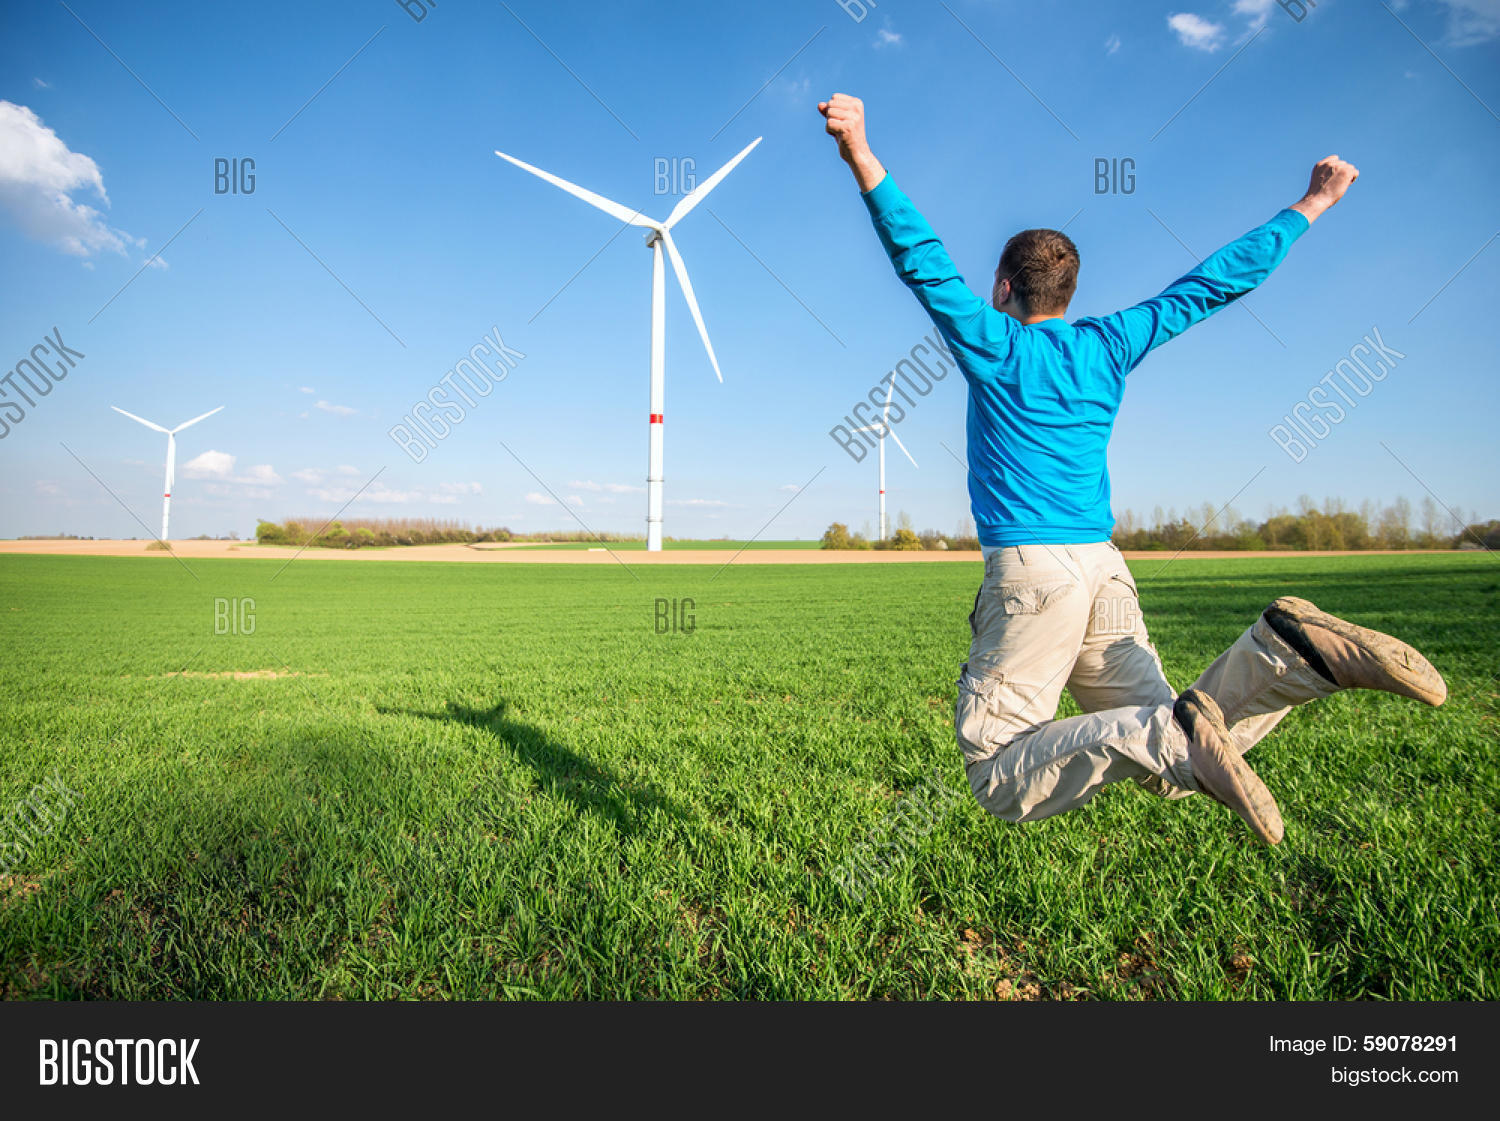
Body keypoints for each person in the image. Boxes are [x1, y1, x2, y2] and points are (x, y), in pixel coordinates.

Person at [819, 93, 1446, 843]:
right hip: (1102, 568)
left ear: (1005, 287)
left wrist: (859, 149)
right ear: (1070, 292)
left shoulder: (995, 342)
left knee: (999, 771)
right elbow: (1215, 282)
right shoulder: (1112, 343)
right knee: (1180, 754)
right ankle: (1290, 652)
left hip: (1034, 573)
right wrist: (1311, 202)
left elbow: (919, 259)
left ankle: (1191, 716)